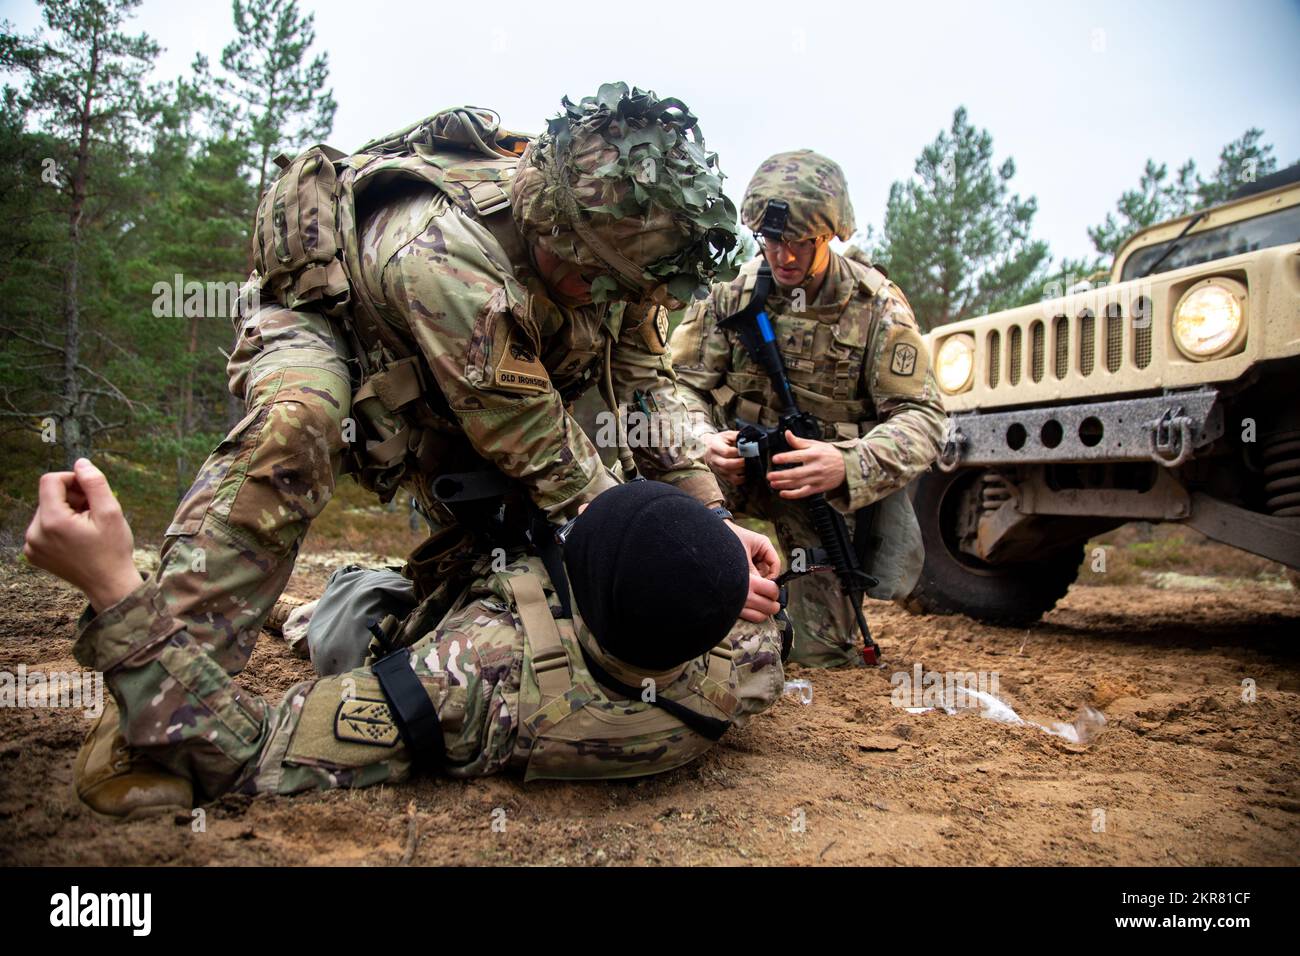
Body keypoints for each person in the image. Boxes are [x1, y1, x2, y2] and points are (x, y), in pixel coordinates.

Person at [51, 82, 784, 814]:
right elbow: (538, 446)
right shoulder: (442, 252)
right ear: (554, 234)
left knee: (506, 561)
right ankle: (148, 717)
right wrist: (678, 561)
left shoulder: (621, 261)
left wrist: (708, 520)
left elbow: (644, 389)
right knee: (299, 425)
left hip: (482, 377)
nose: (606, 296)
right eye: (595, 281)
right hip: (338, 329)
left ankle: (355, 618)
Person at [26, 463, 784, 806]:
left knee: (349, 609)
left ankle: (302, 613)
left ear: (578, 590)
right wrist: (716, 544)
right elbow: (720, 598)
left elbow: (246, 754)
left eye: (582, 530)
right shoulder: (733, 653)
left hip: (401, 642)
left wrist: (114, 588)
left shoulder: (470, 675)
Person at [670, 150, 946, 668]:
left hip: (820, 488)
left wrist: (849, 463)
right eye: (771, 240)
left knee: (822, 656)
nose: (784, 256)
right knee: (667, 492)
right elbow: (677, 386)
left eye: (800, 242)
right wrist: (698, 439)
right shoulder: (733, 297)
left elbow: (924, 419)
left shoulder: (876, 307)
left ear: (832, 234)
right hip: (735, 466)